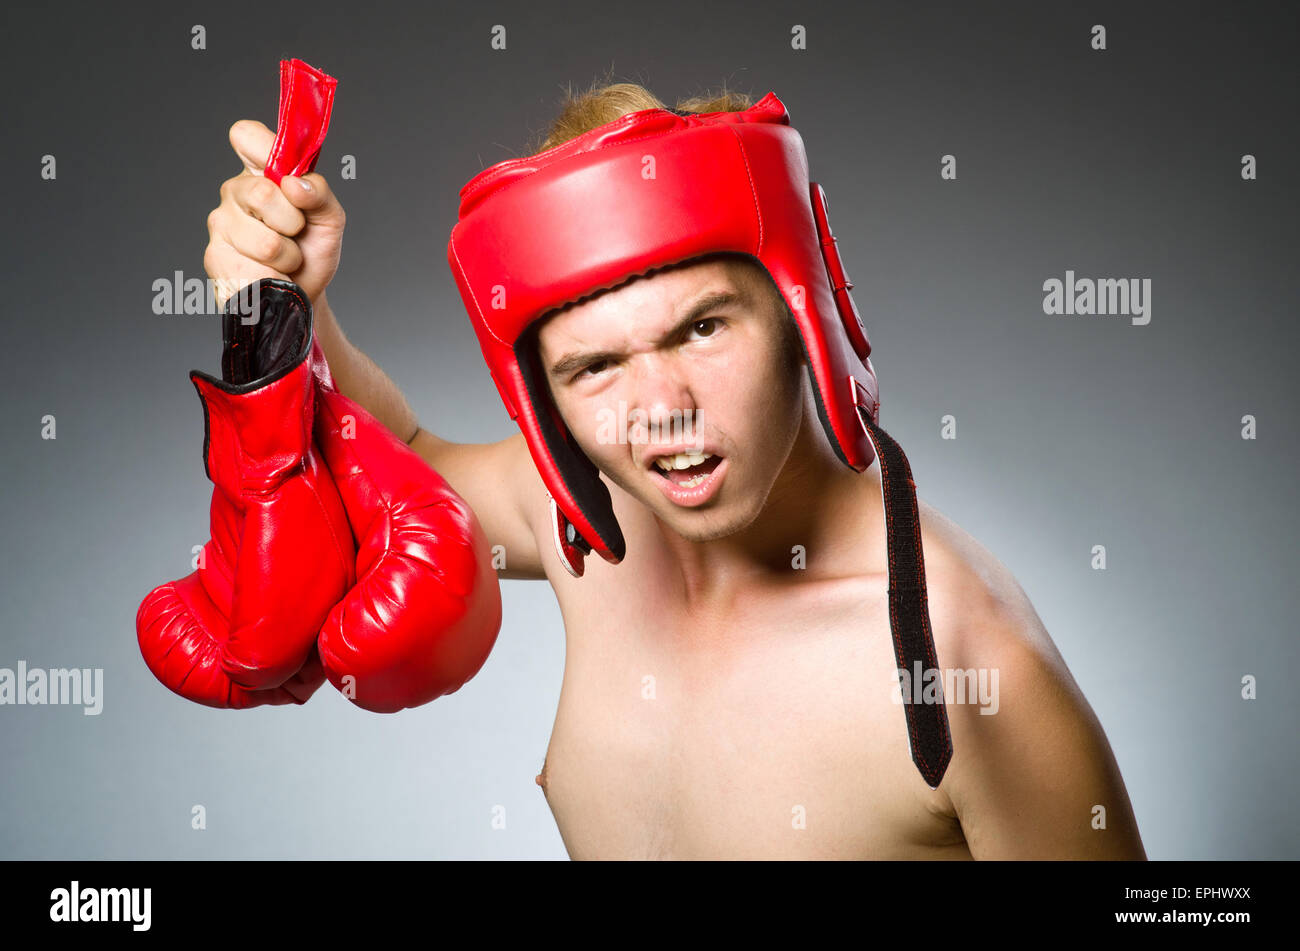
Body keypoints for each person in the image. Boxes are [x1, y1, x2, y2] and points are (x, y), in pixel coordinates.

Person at [203, 80, 1146, 860]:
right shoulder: (583, 524)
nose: (660, 407)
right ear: (548, 398)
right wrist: (287, 299)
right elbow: (396, 464)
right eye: (595, 367)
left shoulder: (968, 666)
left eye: (702, 327)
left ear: (798, 309)